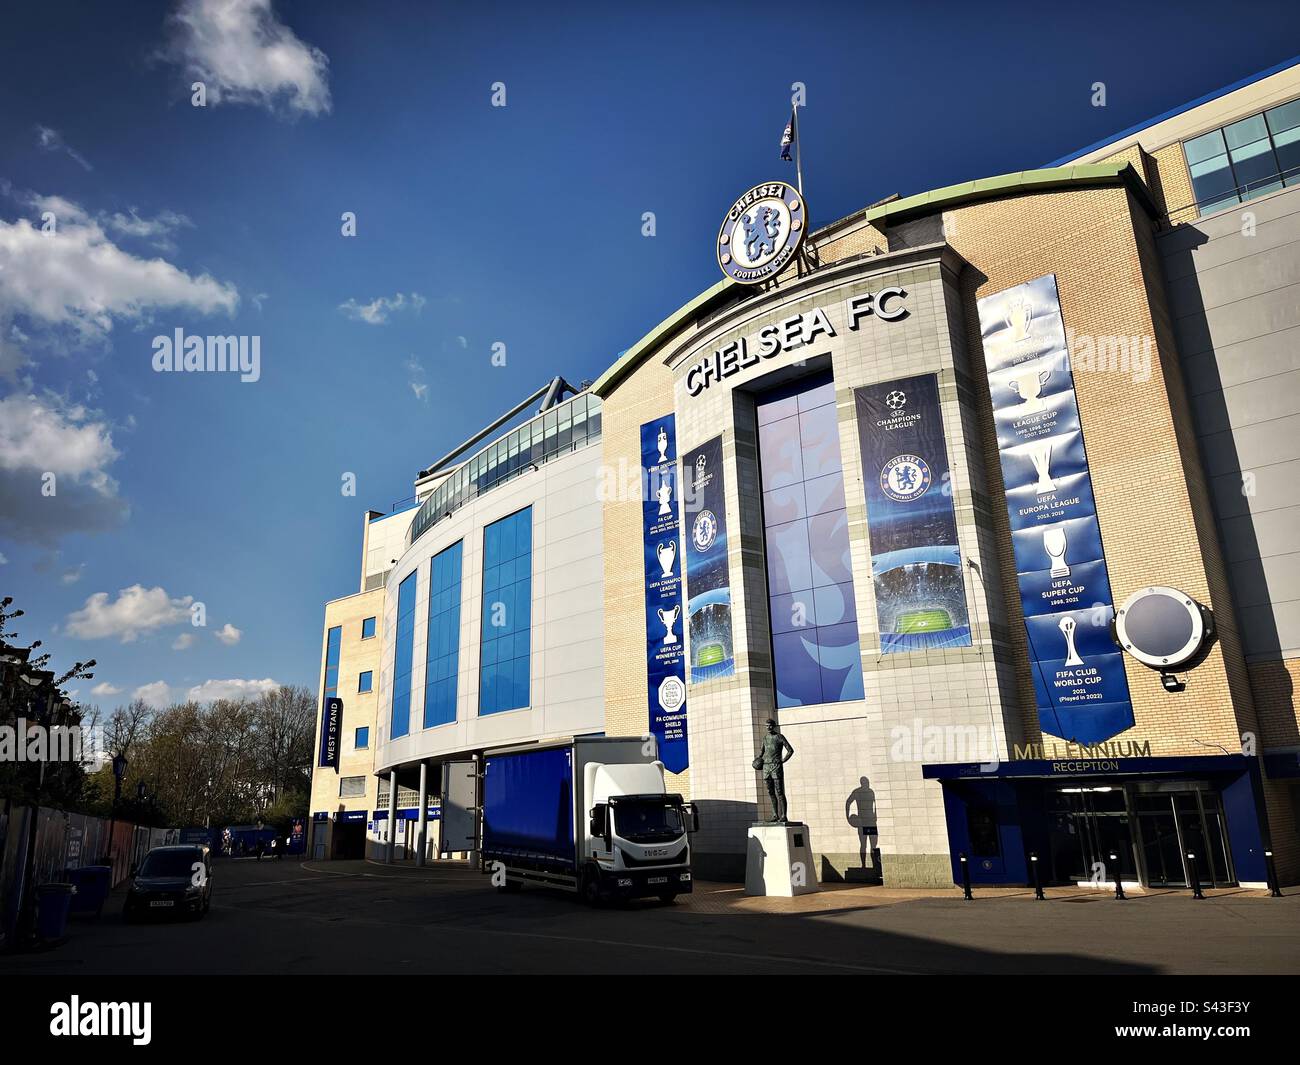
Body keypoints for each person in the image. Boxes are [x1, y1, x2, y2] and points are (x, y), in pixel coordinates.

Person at [751, 718, 795, 823]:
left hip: (776, 766)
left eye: (770, 725)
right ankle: (775, 814)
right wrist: (757, 760)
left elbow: (790, 750)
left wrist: (783, 760)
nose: (768, 727)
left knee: (780, 791)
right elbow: (761, 752)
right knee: (770, 792)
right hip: (766, 767)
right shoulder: (765, 738)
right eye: (767, 725)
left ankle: (784, 815)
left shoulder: (779, 737)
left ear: (774, 726)